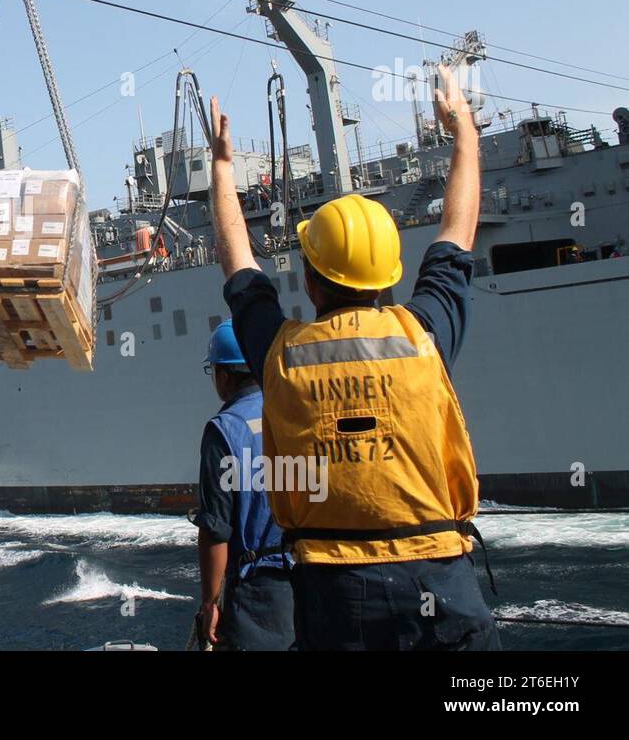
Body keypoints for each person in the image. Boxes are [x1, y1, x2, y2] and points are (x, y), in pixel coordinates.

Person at [208, 64, 500, 651]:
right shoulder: (424, 337)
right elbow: (457, 230)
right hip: (442, 576)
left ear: (311, 283)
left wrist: (220, 169)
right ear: (392, 274)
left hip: (336, 593)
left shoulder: (282, 354)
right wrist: (464, 132)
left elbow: (239, 263)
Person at [192, 320, 294, 651]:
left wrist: (211, 604)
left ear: (223, 375)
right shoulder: (295, 412)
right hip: (311, 580)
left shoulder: (224, 430)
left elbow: (215, 530)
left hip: (257, 596)